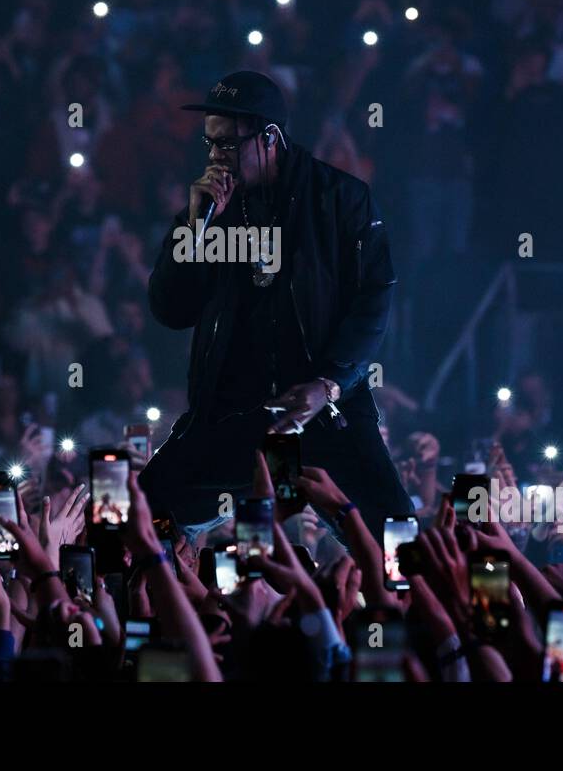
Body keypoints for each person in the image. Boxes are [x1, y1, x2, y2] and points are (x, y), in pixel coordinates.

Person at [140, 70, 412, 542]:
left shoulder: (340, 199)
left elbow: (373, 299)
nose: (215, 158)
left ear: (269, 138)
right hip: (233, 415)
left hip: (321, 412)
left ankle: (397, 611)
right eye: (209, 145)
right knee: (144, 520)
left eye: (227, 144)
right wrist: (193, 230)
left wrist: (329, 383)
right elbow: (171, 309)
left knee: (396, 542)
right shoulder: (209, 214)